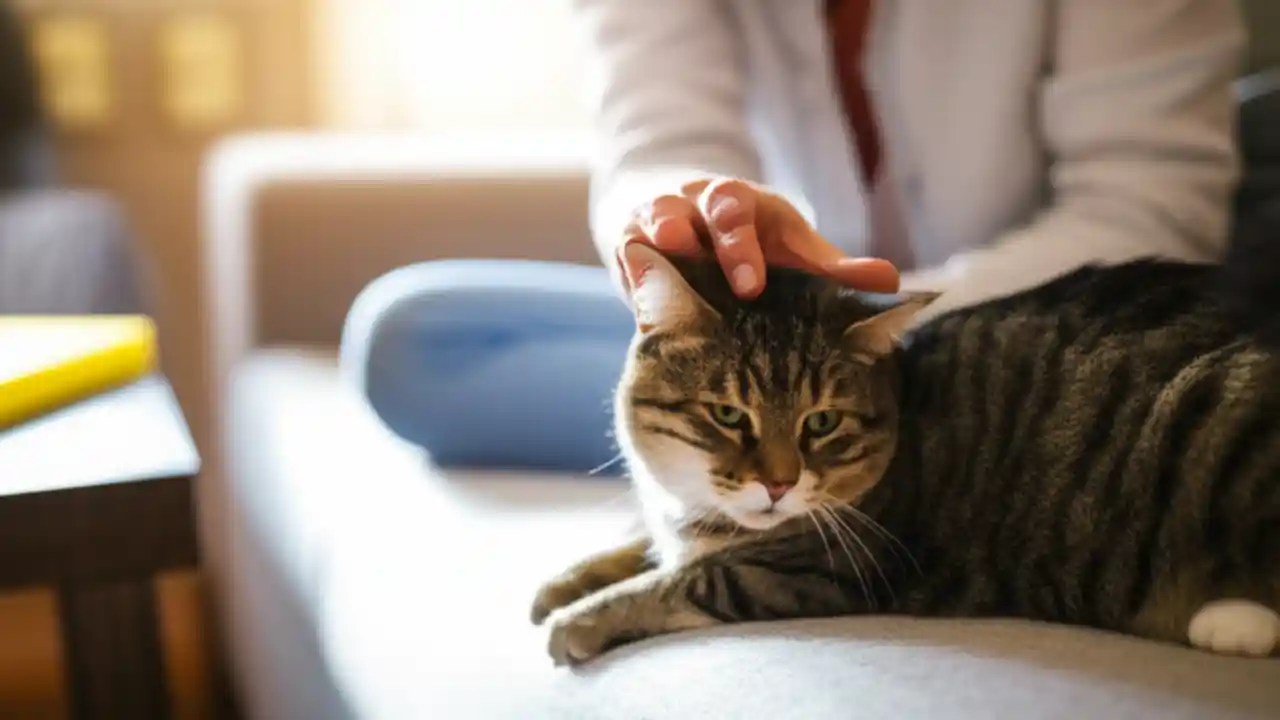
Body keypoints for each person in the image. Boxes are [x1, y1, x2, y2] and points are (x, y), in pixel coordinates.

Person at [342, 0, 1244, 471]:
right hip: (809, 366)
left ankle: (813, 449)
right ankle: (839, 453)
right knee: (416, 342)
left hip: (1041, 349)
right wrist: (687, 218)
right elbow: (657, 139)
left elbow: (1149, 216)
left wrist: (866, 329)